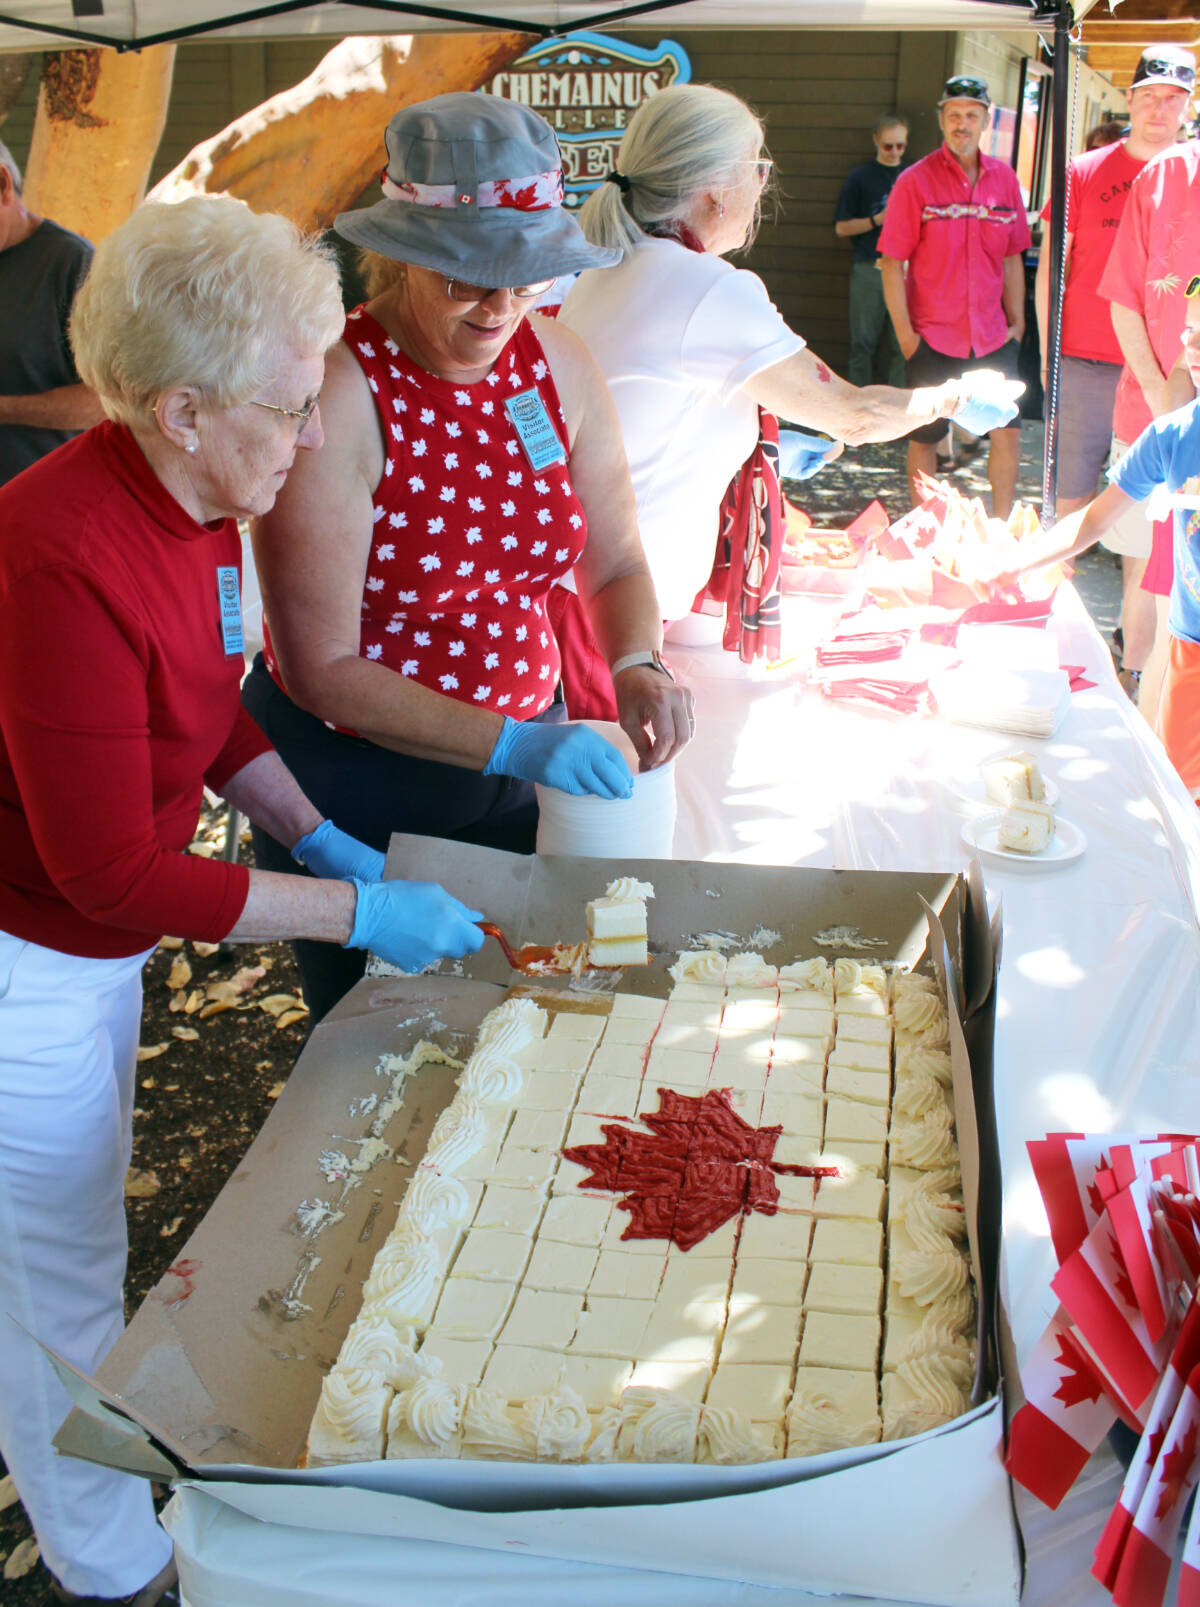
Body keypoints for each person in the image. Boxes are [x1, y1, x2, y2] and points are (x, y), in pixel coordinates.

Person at [0, 195, 487, 1607]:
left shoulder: (209, 492)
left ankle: (68, 1460)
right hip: (30, 949)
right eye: (290, 405)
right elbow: (110, 872)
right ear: (183, 407)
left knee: (54, 1235)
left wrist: (322, 831)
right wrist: (349, 915)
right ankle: (107, 1563)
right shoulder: (55, 553)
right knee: (66, 1271)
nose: (318, 434)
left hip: (85, 944)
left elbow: (208, 706)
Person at [245, 94, 694, 1022]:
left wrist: (636, 660)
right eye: (467, 280)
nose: (500, 308)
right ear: (403, 255)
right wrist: (516, 741)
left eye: (527, 279)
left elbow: (613, 564)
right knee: (380, 1043)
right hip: (365, 787)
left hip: (523, 771)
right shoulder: (338, 389)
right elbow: (324, 667)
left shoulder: (555, 362)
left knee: (519, 1016)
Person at [557, 82, 1022, 638]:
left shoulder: (615, 267)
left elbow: (653, 413)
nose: (763, 183)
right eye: (757, 167)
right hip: (608, 617)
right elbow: (853, 413)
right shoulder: (707, 288)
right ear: (716, 192)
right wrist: (955, 398)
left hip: (583, 593)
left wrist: (755, 438)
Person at [997, 271, 1200, 800]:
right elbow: (1093, 520)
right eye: (1189, 332)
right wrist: (1016, 562)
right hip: (1191, 649)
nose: (1191, 348)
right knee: (1180, 798)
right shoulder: (1174, 434)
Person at [879, 74, 1031, 518]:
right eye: (954, 115)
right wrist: (907, 336)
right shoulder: (915, 181)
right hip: (933, 336)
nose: (962, 124)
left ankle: (1000, 529)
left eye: (971, 115)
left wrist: (1017, 323)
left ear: (985, 120)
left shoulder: (1004, 181)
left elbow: (1012, 256)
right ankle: (926, 529)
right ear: (941, 120)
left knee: (1006, 431)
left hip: (991, 336)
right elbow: (892, 262)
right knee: (925, 436)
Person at [1095, 46, 1198, 698]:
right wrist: (1167, 401)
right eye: (1151, 93)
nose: (1164, 107)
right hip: (1148, 411)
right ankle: (1134, 695)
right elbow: (1123, 298)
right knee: (1144, 572)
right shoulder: (1160, 177)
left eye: (1176, 96)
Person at [0, 138, 104, 485]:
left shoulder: (71, 263)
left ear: (3, 185)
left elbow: (104, 402)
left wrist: (5, 409)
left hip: (38, 499)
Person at [833, 113, 910, 388]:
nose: (894, 152)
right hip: (870, 266)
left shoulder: (915, 176)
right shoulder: (861, 178)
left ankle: (900, 411)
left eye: (900, 146)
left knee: (904, 343)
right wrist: (877, 220)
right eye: (888, 146)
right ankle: (860, 410)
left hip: (907, 269)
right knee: (862, 343)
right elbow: (841, 228)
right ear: (876, 141)